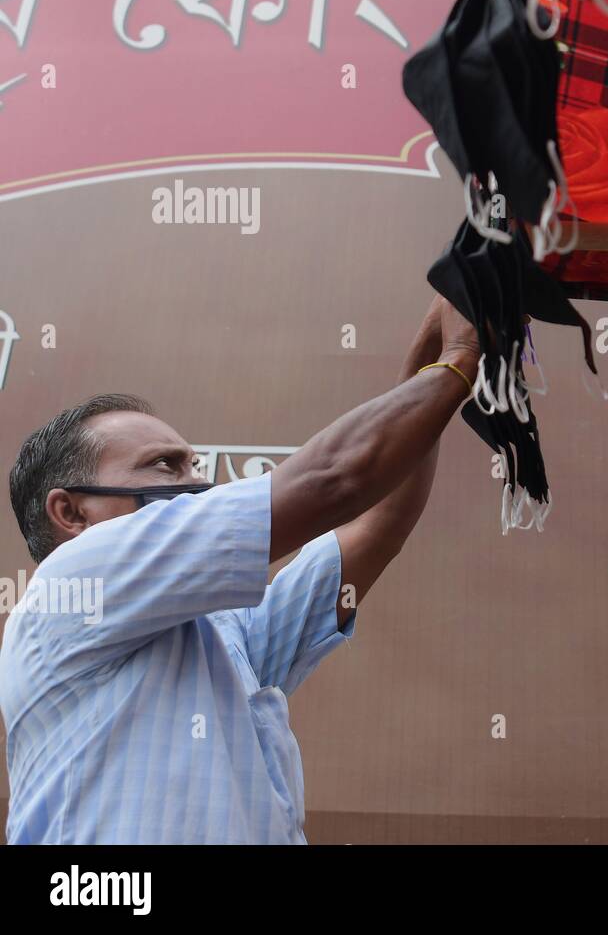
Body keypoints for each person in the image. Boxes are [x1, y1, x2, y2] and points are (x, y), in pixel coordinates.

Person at [0, 295, 480, 843]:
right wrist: (461, 359)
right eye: (164, 466)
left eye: (193, 465)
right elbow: (336, 479)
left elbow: (376, 523)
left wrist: (428, 367)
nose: (198, 484)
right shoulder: (73, 579)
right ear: (71, 514)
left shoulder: (221, 633)